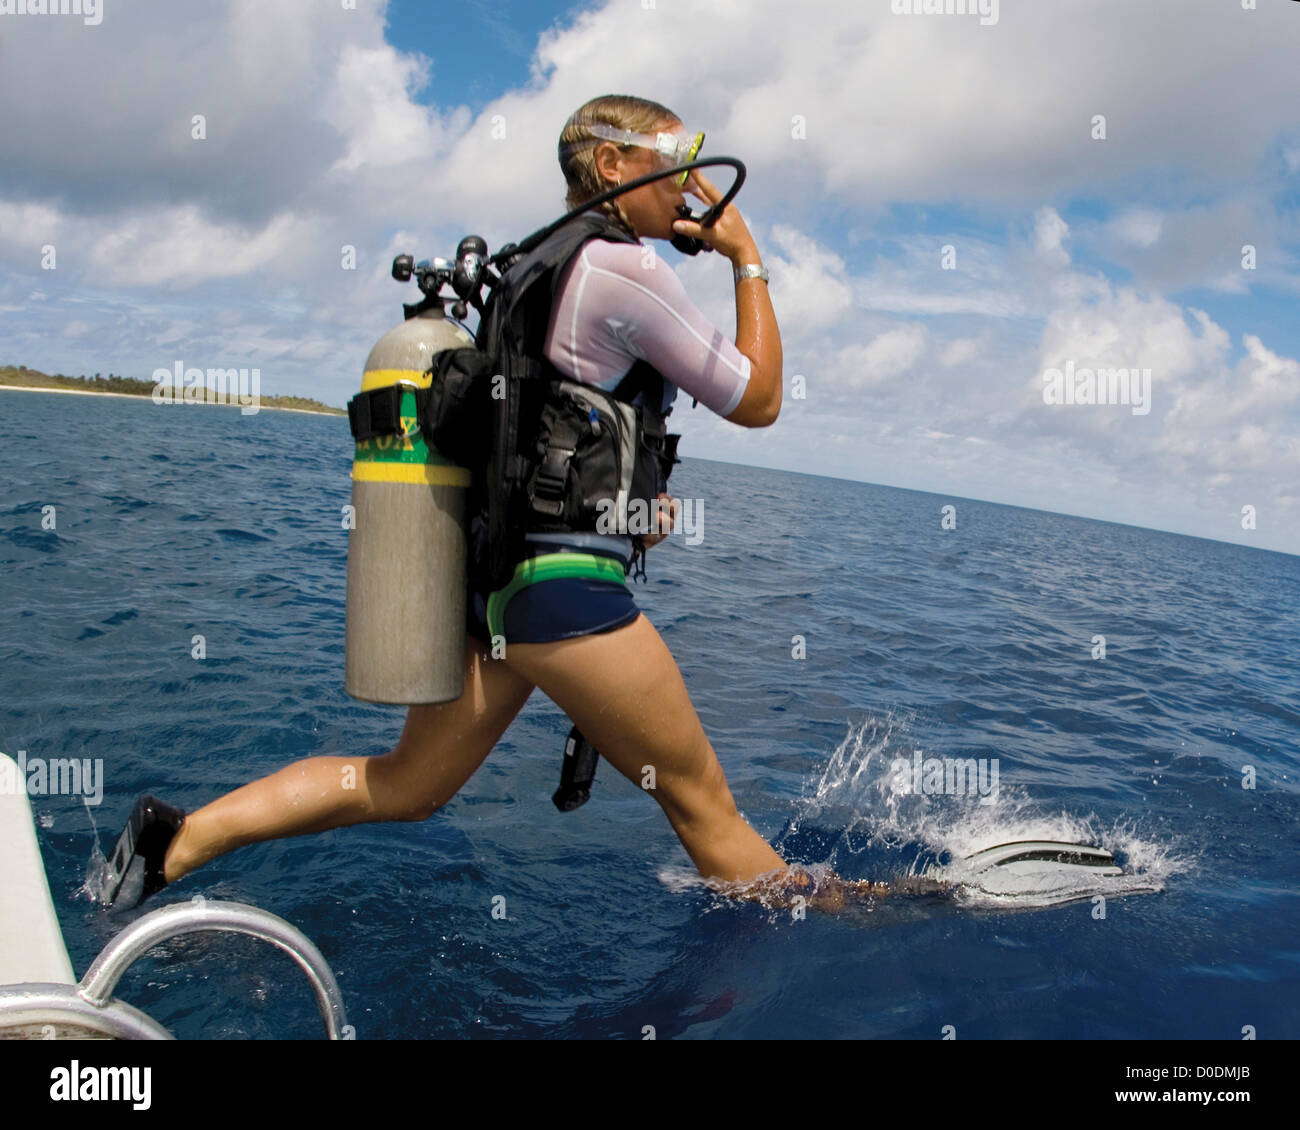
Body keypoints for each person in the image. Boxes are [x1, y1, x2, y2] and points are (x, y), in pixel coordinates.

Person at [104, 95, 923, 914]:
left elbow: (544, 442)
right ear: (612, 165)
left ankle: (177, 839)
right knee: (699, 800)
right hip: (562, 595)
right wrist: (747, 254)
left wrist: (635, 510)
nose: (692, 187)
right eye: (679, 158)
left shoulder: (541, 268)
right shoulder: (624, 267)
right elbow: (759, 396)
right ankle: (854, 924)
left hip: (498, 584)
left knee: (406, 784)